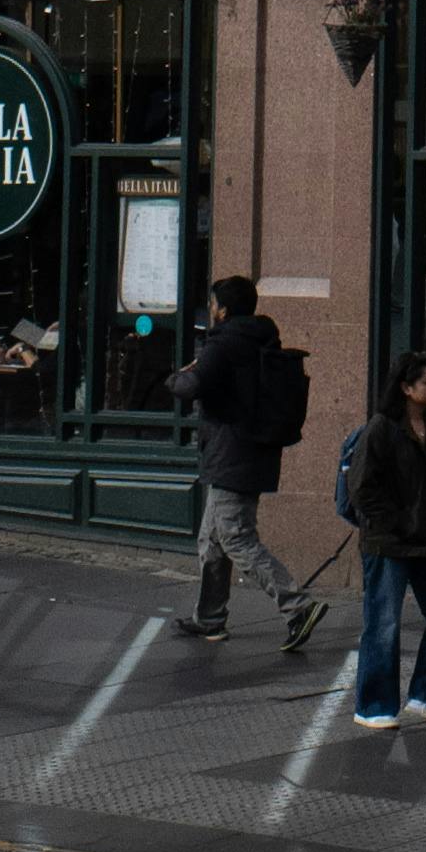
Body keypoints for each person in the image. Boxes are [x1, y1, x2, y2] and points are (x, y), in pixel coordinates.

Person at [182, 273, 321, 651]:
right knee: (211, 538)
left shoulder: (224, 344)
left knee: (236, 537)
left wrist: (175, 381)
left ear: (223, 310)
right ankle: (209, 618)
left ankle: (297, 606)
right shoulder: (257, 340)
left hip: (232, 454)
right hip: (248, 452)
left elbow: (193, 386)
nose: (210, 309)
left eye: (213, 304)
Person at [344, 348, 426, 736]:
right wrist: (394, 523)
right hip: (389, 542)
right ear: (406, 388)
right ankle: (374, 705)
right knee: (383, 623)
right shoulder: (381, 429)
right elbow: (362, 488)